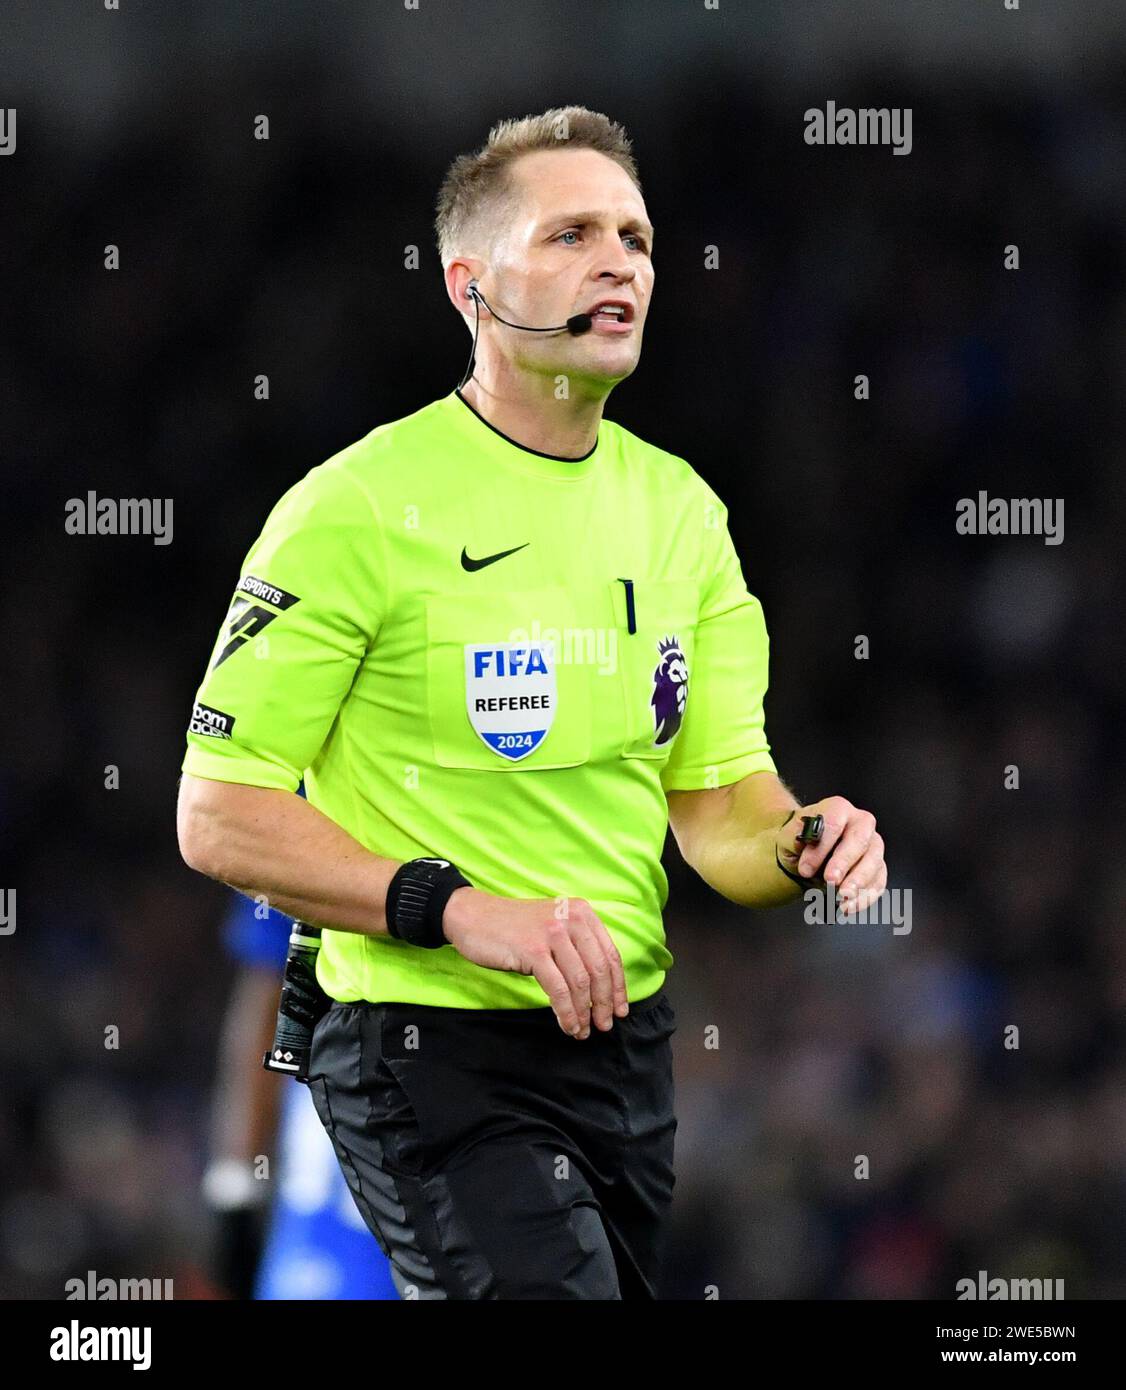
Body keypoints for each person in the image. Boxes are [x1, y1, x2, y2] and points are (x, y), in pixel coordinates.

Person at [177, 105, 887, 1300]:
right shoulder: (353, 508)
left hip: (622, 1048)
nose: (620, 261)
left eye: (636, 237)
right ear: (470, 284)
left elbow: (715, 806)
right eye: (571, 235)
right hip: (419, 1043)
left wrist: (796, 838)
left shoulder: (681, 517)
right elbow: (221, 813)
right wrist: (454, 908)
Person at [203, 884, 398, 1301]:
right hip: (343, 1176)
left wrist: (235, 1190)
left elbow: (269, 989)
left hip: (363, 1157)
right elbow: (271, 987)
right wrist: (237, 1188)